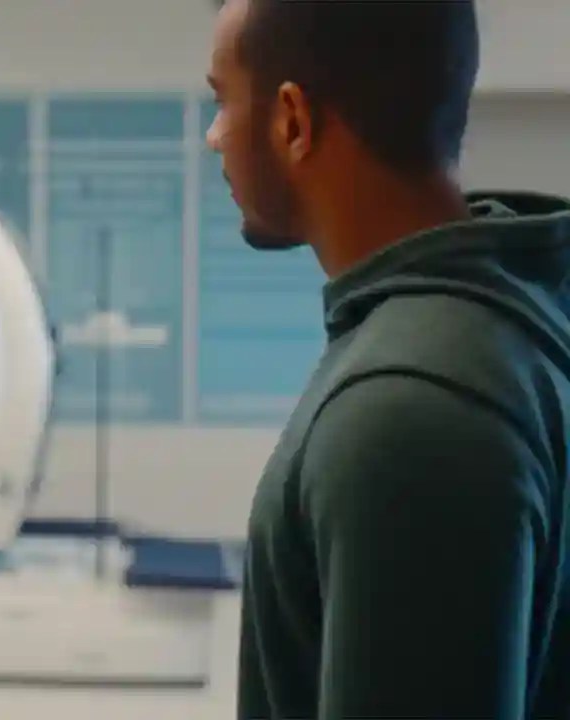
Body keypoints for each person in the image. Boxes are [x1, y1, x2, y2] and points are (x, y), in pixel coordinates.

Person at [205, 1, 570, 718]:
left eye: (222, 102)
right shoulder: (501, 322)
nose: (213, 138)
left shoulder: (407, 410)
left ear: (292, 121)